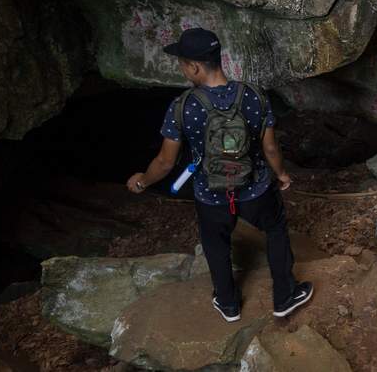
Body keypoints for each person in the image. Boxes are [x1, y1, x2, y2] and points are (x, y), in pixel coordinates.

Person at [126, 28, 313, 322]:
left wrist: (142, 181)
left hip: (211, 194)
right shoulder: (254, 96)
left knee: (216, 243)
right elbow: (270, 147)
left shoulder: (183, 107)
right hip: (255, 189)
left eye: (182, 63)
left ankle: (228, 304)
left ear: (194, 67)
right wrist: (282, 175)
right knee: (275, 229)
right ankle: (284, 297)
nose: (182, 68)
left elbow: (164, 162)